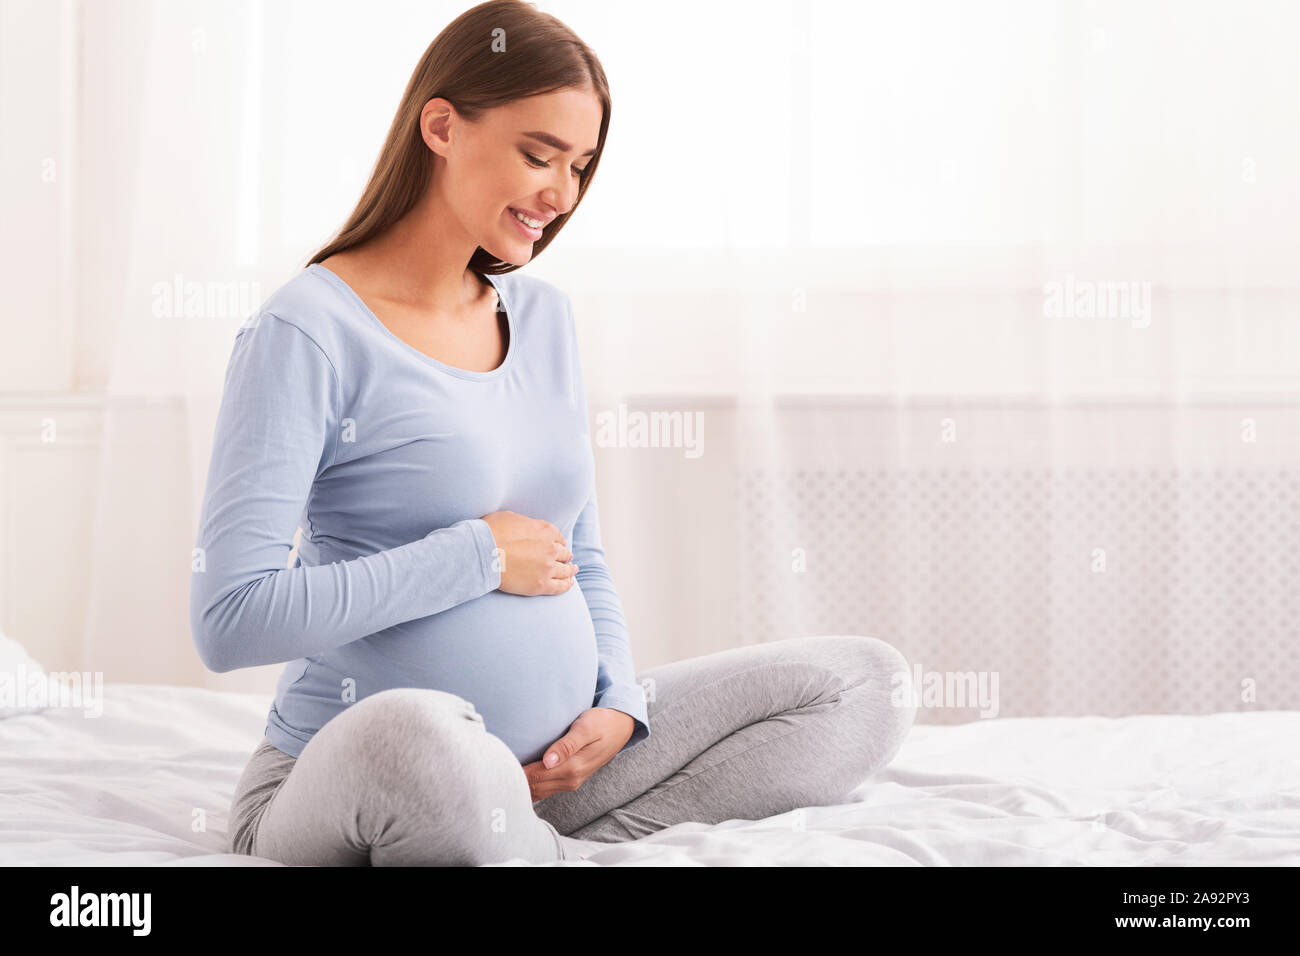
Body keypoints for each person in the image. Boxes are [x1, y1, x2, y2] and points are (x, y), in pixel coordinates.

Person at [191, 0, 915, 866]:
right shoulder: (308, 331)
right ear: (442, 127)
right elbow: (229, 620)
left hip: (555, 779)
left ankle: (536, 845)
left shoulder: (542, 318)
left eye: (579, 166)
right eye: (539, 156)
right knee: (422, 736)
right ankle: (496, 829)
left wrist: (617, 704)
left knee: (863, 683)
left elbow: (582, 554)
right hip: (368, 774)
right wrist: (477, 556)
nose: (560, 195)